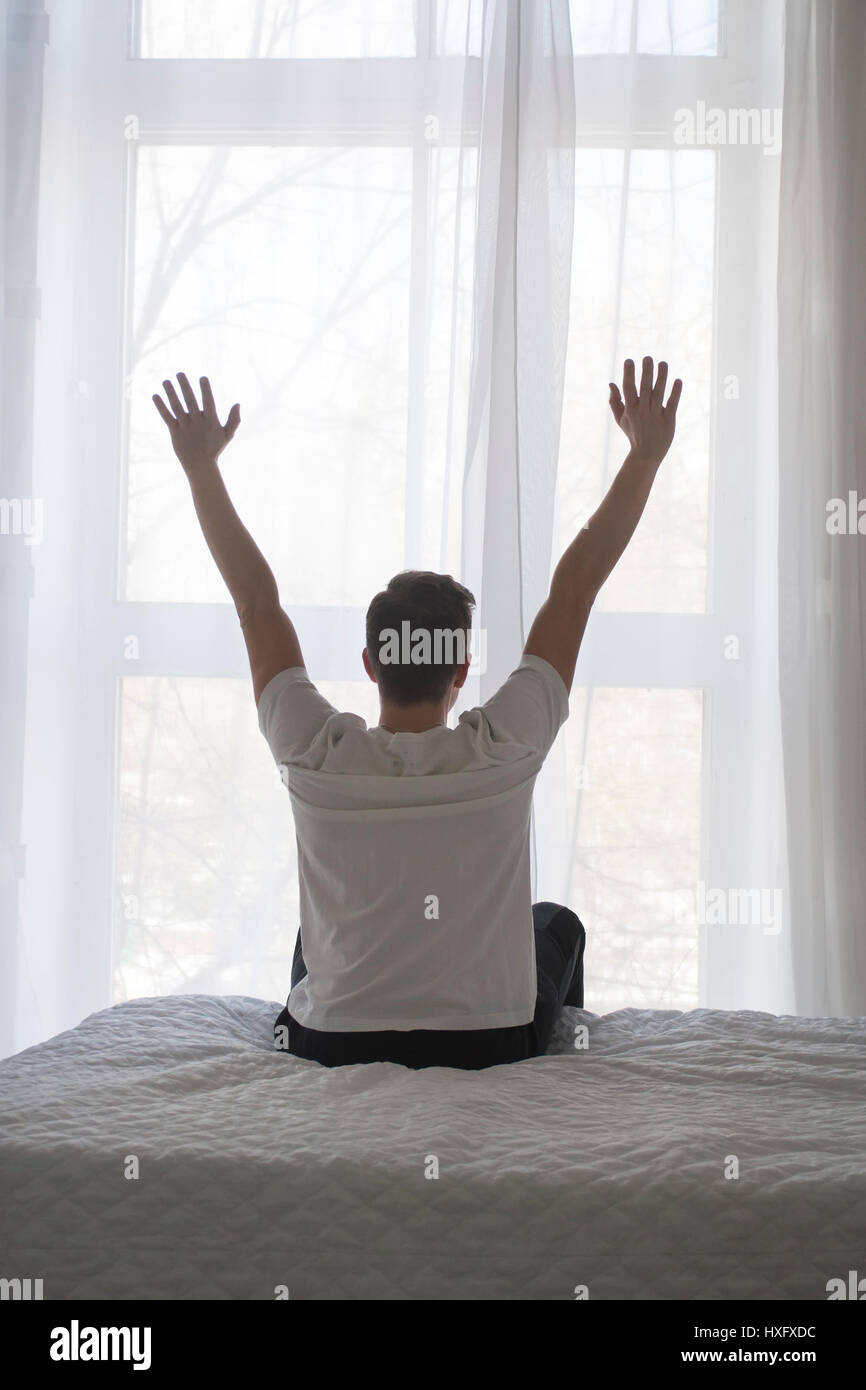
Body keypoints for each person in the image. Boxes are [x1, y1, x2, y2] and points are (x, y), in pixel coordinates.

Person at [152, 356, 682, 1068]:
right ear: (461, 670)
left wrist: (200, 469)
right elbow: (576, 588)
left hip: (330, 1042)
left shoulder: (314, 750)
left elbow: (255, 603)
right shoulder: (504, 744)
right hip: (491, 1043)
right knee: (555, 925)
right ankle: (555, 1087)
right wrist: (644, 457)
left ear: (371, 666)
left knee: (313, 943)